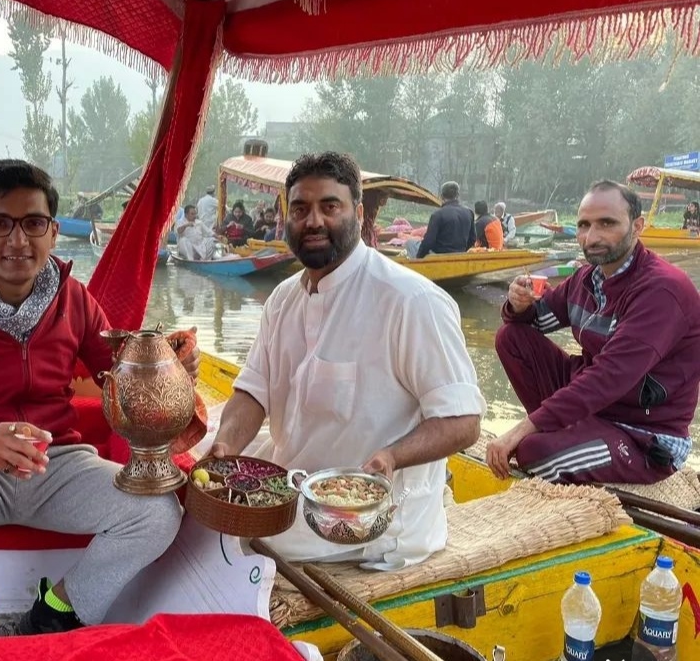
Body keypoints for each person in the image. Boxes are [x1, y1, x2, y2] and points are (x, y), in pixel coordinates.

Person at [0, 160, 198, 638]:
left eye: (33, 223)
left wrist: (171, 371)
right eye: (0, 223)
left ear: (52, 231)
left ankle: (56, 613)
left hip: (59, 466)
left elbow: (123, 379)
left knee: (158, 511)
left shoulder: (77, 301)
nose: (18, 241)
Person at [208, 152, 484, 566]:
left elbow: (464, 422)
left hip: (367, 518)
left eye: (329, 206)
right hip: (291, 483)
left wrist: (391, 457)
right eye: (300, 209)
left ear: (357, 213)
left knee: (226, 542)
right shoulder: (283, 299)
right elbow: (253, 393)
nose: (313, 221)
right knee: (196, 504)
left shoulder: (411, 301)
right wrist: (225, 446)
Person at [488, 180, 700, 485]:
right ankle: (565, 432)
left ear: (637, 226)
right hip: (598, 406)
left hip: (641, 433)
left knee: (533, 450)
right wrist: (517, 305)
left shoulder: (662, 290)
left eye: (607, 223)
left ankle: (558, 437)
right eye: (584, 225)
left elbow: (609, 377)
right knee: (510, 338)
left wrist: (525, 427)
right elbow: (531, 322)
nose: (592, 236)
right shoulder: (587, 279)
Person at [411, 182, 475, 259]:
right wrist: (461, 251)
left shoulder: (437, 214)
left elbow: (428, 242)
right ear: (457, 195)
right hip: (459, 254)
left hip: (439, 255)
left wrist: (419, 258)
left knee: (410, 243)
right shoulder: (469, 212)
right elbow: (472, 239)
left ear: (441, 197)